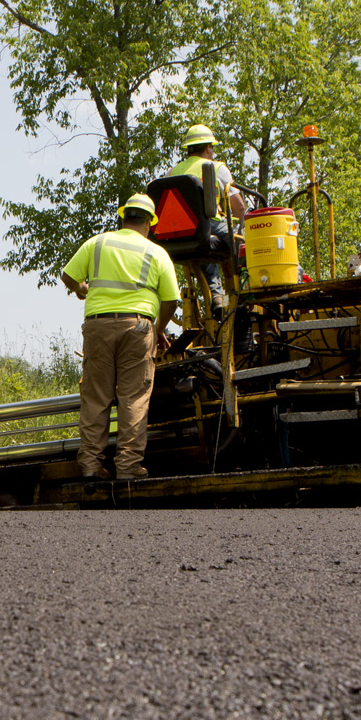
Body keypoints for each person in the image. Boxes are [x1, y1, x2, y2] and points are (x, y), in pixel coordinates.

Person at [60, 193, 179, 480]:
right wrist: (159, 329)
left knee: (96, 397)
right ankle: (128, 468)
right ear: (150, 223)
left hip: (98, 326)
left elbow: (67, 276)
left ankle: (90, 465)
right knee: (133, 398)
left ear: (123, 217)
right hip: (138, 329)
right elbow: (172, 300)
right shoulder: (157, 253)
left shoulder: (97, 243)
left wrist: (81, 289)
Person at [166, 124, 246, 312]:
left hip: (179, 234)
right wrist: (242, 231)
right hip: (208, 225)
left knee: (203, 243)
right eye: (212, 148)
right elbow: (240, 207)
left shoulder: (172, 172)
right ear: (209, 148)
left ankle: (215, 295)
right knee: (242, 241)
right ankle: (251, 286)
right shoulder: (217, 168)